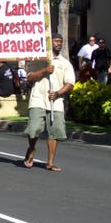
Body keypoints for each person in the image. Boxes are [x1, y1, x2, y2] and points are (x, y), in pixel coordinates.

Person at [22, 33, 75, 172]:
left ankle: (50, 162)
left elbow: (70, 83)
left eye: (60, 41)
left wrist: (58, 93)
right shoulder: (38, 60)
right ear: (49, 43)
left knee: (54, 131)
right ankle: (31, 149)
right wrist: (45, 70)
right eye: (56, 41)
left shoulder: (65, 63)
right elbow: (30, 77)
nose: (59, 43)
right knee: (34, 128)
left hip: (55, 101)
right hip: (38, 98)